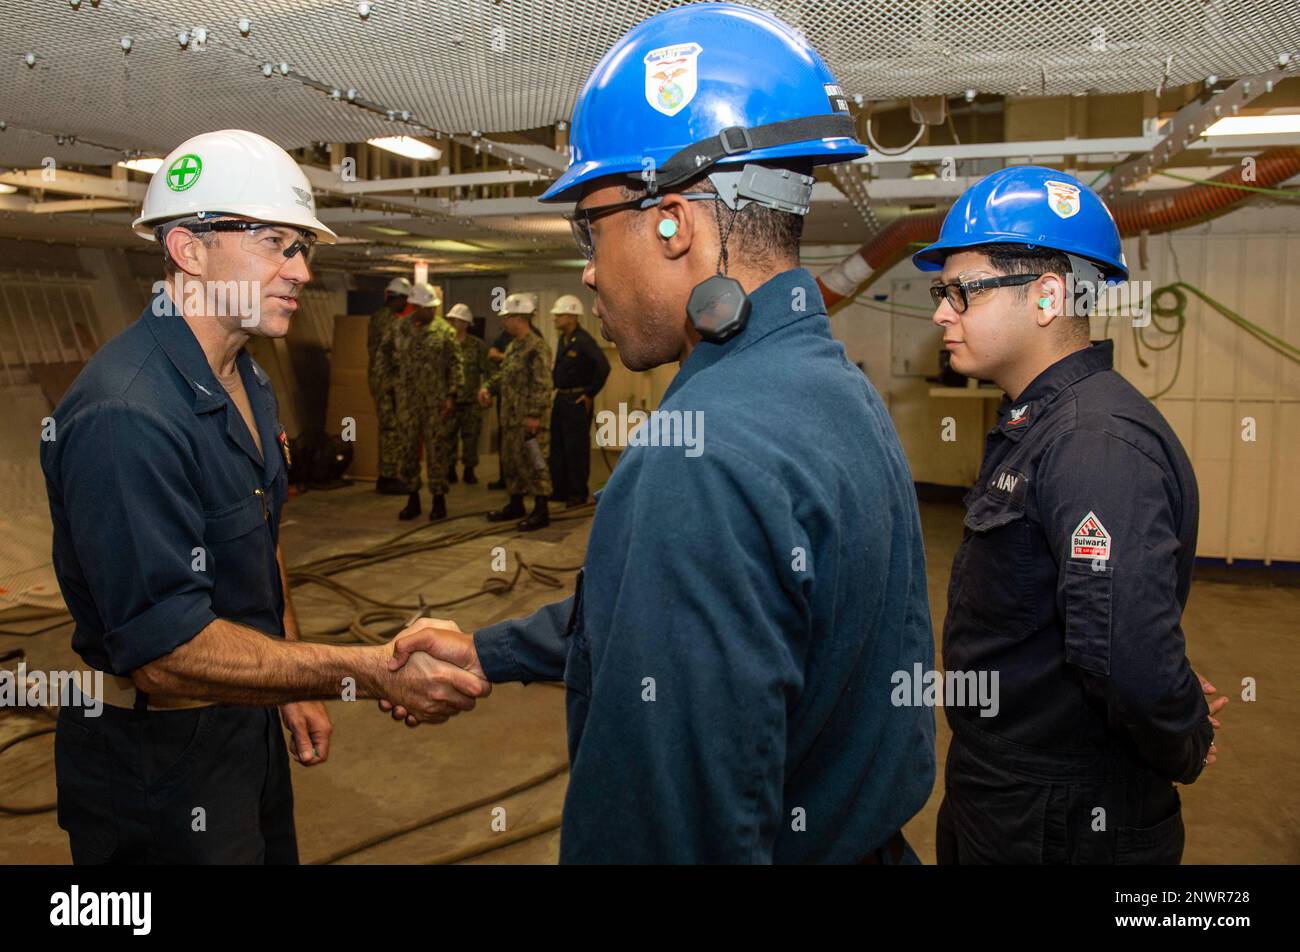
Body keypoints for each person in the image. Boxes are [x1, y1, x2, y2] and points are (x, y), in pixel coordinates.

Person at [384, 3, 936, 863]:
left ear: (673, 221)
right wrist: (488, 649)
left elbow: (673, 832)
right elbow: (672, 609)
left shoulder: (703, 457)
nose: (590, 269)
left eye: (590, 228)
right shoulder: (840, 395)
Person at [39, 129, 489, 864]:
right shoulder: (126, 415)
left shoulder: (246, 378)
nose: (301, 269)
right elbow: (166, 650)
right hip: (155, 754)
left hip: (242, 718)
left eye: (303, 247)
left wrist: (285, 684)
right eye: (277, 242)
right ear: (189, 249)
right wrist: (360, 667)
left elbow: (259, 541)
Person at [912, 165, 1227, 864]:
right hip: (1006, 792)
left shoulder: (1092, 442)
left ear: (1047, 297)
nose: (941, 311)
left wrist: (1183, 731)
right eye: (942, 292)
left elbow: (1127, 659)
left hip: (1060, 818)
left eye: (961, 291)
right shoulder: (1042, 423)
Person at [478, 293, 553, 531]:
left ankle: (541, 510)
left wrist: (534, 415)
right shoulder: (513, 346)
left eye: (507, 317)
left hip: (530, 420)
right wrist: (488, 387)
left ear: (519, 318)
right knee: (512, 462)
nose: (503, 322)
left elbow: (543, 384)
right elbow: (505, 375)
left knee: (536, 462)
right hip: (510, 418)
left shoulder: (537, 347)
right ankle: (516, 503)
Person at [395, 282, 463, 521]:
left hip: (436, 402)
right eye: (427, 308)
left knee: (437, 452)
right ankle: (412, 499)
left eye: (433, 307)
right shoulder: (400, 329)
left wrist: (452, 394)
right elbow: (386, 357)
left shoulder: (445, 331)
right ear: (415, 306)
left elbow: (456, 364)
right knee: (408, 450)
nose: (431, 311)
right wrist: (390, 388)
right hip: (408, 402)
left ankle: (438, 500)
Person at [547, 294, 609, 507]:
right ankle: (560, 489)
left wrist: (590, 393)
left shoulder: (583, 341)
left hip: (576, 400)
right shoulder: (564, 340)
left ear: (572, 317)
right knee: (558, 447)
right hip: (561, 398)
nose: (555, 319)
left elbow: (603, 366)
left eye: (559, 315)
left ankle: (577, 493)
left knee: (575, 449)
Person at [367, 276, 412, 494]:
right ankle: (388, 476)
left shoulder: (378, 317)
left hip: (380, 379)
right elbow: (395, 354)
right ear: (400, 298)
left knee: (389, 427)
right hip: (387, 382)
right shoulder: (391, 322)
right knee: (390, 428)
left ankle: (390, 473)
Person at [445, 303, 489, 485]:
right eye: (452, 320)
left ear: (466, 323)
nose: (453, 323)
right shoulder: (444, 344)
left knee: (471, 438)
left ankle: (469, 470)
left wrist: (485, 389)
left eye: (457, 320)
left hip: (471, 401)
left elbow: (487, 371)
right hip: (451, 400)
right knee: (448, 437)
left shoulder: (477, 346)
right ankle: (449, 469)